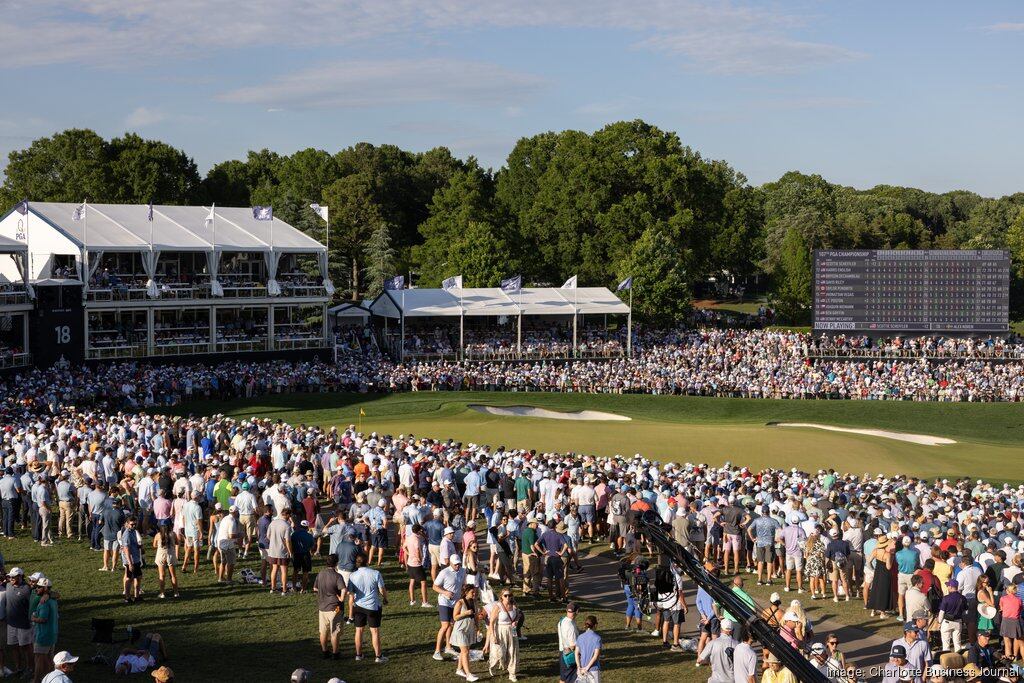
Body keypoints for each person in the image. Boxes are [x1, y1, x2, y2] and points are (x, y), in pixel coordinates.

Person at [347, 554, 387, 663]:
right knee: (374, 631)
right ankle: (378, 656)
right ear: (367, 562)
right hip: (373, 606)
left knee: (359, 630)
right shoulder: (375, 573)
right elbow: (382, 589)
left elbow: (350, 593)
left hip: (359, 606)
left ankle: (358, 654)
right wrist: (385, 598)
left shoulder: (352, 576)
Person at [313, 553, 348, 660]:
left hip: (322, 607)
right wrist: (341, 598)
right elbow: (344, 589)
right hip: (335, 608)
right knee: (335, 632)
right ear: (336, 563)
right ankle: (335, 653)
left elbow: (315, 589)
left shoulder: (320, 574)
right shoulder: (337, 576)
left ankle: (325, 651)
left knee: (323, 631)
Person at [432, 553, 466, 661]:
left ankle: (448, 646)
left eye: (459, 564)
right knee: (445, 625)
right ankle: (437, 651)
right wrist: (445, 592)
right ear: (450, 563)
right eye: (455, 564)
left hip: (455, 602)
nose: (457, 566)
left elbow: (462, 585)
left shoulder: (462, 571)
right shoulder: (444, 572)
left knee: (452, 624)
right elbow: (434, 586)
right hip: (444, 602)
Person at [487, 588, 520, 682]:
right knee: (499, 653)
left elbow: (518, 615)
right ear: (501, 596)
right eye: (505, 595)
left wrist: (516, 622)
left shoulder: (514, 605)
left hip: (511, 631)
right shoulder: (498, 606)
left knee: (512, 651)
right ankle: (492, 665)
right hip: (500, 630)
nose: (508, 597)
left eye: (509, 595)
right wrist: (493, 635)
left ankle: (512, 673)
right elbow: (492, 622)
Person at [451, 584, 481, 682]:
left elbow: (476, 616)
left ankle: (459, 669)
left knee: (464, 651)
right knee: (465, 652)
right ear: (466, 592)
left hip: (470, 629)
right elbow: (455, 617)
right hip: (460, 630)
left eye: (475, 592)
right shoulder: (460, 603)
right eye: (472, 592)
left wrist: (478, 628)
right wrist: (464, 613)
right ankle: (468, 674)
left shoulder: (475, 602)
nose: (474, 593)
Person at [31, 578, 57, 683]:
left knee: (40, 659)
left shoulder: (44, 602)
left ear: (45, 588)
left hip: (43, 635)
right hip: (51, 634)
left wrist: (33, 618)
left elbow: (43, 619)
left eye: (39, 587)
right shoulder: (52, 600)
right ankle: (50, 678)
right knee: (48, 658)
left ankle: (37, 680)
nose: (36, 588)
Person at [698, 617, 737, 682]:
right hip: (731, 680)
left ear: (721, 629)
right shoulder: (737, 644)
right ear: (732, 630)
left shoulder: (712, 643)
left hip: (715, 680)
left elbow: (700, 659)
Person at [868, 536, 896, 617]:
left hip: (877, 572)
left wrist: (873, 569)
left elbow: (869, 561)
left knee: (875, 590)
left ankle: (873, 611)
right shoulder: (887, 554)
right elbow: (888, 567)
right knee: (883, 592)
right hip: (885, 574)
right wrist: (892, 558)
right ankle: (882, 613)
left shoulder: (875, 551)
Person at [267, 508, 293, 595]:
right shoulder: (287, 526)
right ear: (288, 515)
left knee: (274, 569)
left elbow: (268, 536)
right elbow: (287, 541)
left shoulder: (273, 523)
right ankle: (284, 590)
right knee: (284, 571)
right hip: (282, 551)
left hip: (273, 550)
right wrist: (290, 551)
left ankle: (273, 588)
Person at [938, 579, 967, 654]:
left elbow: (942, 612)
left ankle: (946, 661)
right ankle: (959, 660)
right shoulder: (963, 598)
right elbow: (965, 611)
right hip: (958, 622)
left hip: (947, 622)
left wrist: (939, 622)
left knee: (946, 645)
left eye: (948, 586)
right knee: (958, 644)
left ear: (951, 586)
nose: (947, 587)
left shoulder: (946, 598)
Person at [118, 516, 143, 603]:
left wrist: (138, 546)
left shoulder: (133, 532)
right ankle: (127, 598)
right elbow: (126, 549)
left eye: (135, 524)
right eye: (132, 524)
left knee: (138, 577)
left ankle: (137, 596)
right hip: (131, 560)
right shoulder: (127, 534)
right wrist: (130, 563)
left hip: (136, 559)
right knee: (129, 578)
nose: (134, 526)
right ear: (127, 524)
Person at [404, 524, 430, 607]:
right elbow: (418, 550)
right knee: (423, 582)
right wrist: (420, 559)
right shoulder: (416, 539)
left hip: (410, 562)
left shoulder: (409, 537)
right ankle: (425, 602)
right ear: (418, 530)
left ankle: (412, 600)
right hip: (416, 564)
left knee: (412, 581)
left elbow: (404, 547)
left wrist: (409, 554)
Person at [152, 526, 179, 599]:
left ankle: (162, 593)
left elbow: (154, 545)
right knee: (173, 575)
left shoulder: (158, 535)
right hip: (171, 555)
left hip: (161, 555)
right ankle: (176, 593)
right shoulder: (173, 534)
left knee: (162, 576)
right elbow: (177, 542)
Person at [1000, 581, 1024, 661]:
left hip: (1006, 621)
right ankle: (1018, 657)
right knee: (1019, 641)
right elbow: (1020, 609)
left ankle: (1009, 658)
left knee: (1007, 642)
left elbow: (1002, 608)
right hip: (1016, 621)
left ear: (1007, 591)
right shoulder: (1019, 600)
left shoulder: (1003, 598)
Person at [574, 615, 601, 683]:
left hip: (581, 670)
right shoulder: (597, 638)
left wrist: (578, 667)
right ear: (595, 625)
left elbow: (576, 653)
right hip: (593, 669)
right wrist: (587, 668)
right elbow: (595, 656)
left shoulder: (580, 637)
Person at [557, 603, 579, 683]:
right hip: (570, 655)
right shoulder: (571, 626)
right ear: (577, 611)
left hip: (562, 652)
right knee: (571, 678)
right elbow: (573, 646)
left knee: (563, 678)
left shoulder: (562, 620)